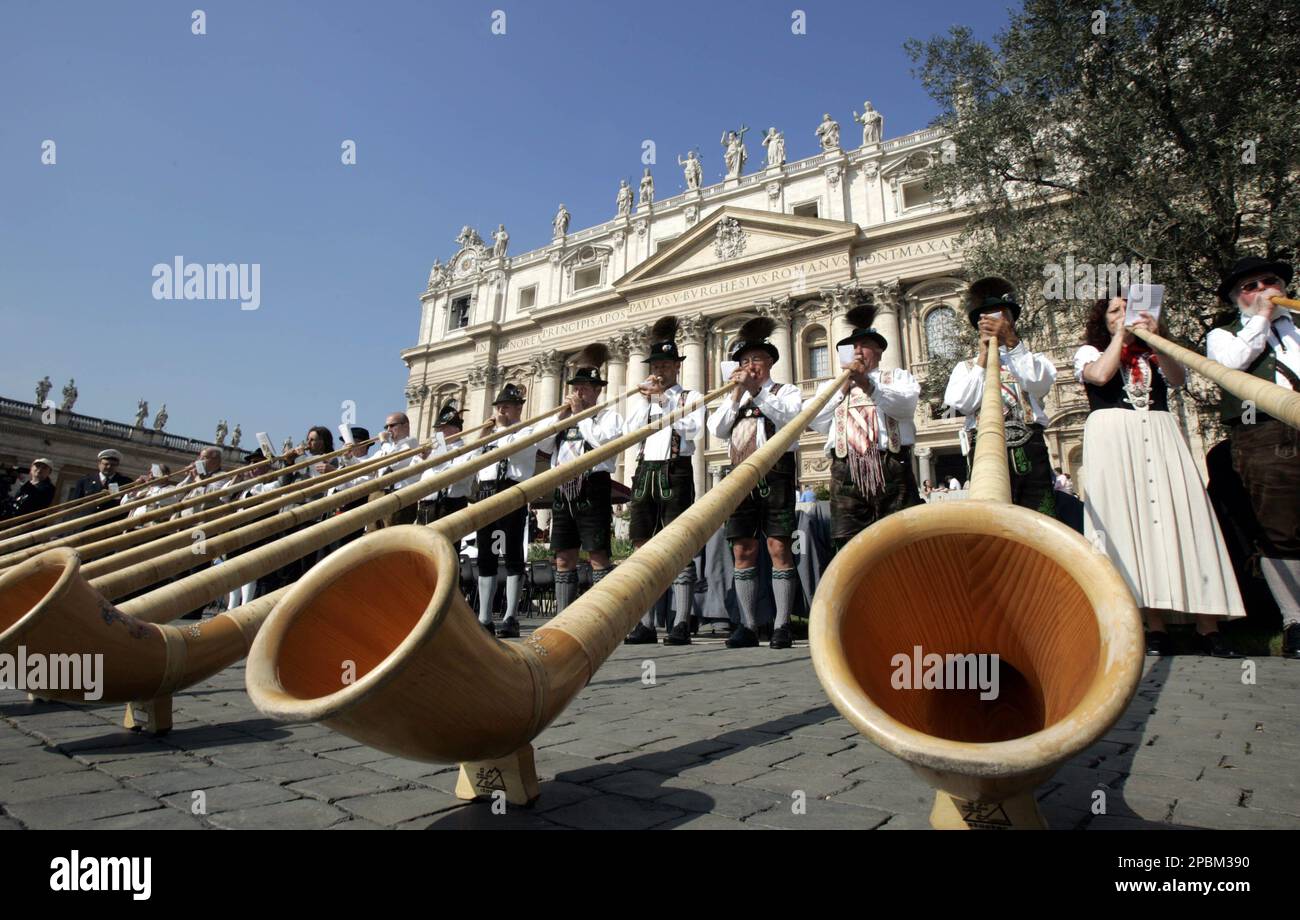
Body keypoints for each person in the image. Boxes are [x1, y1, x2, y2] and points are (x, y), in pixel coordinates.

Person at [1076, 295, 1244, 657]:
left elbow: (1178, 379)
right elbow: (1100, 375)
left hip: (1160, 433)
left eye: (1130, 310)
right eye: (1115, 311)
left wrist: (1156, 341)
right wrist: (1121, 337)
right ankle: (1153, 624)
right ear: (1102, 321)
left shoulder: (1153, 352)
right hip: (1115, 441)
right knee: (1129, 525)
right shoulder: (1090, 351)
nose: (1124, 316)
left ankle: (1208, 624)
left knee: (1184, 518)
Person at [1206, 256, 1300, 659]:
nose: (1263, 290)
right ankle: (1295, 620)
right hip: (1264, 432)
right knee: (1281, 527)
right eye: (1251, 286)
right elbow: (1231, 366)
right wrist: (1261, 319)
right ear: (1236, 298)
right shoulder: (1223, 335)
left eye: (1270, 281)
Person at [708, 316, 804, 649]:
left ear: (770, 363)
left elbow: (789, 420)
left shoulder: (785, 391)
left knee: (778, 547)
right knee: (742, 549)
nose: (750, 367)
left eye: (756, 360)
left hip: (775, 473)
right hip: (740, 475)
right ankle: (748, 625)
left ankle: (781, 625)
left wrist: (758, 393)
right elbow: (717, 429)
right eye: (744, 361)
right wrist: (736, 394)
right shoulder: (736, 399)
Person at [622, 316, 706, 646]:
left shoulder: (690, 395)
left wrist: (663, 400)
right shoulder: (640, 399)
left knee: (677, 545)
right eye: (656, 365)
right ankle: (645, 622)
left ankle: (681, 620)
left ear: (677, 367)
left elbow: (693, 431)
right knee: (643, 545)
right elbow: (630, 433)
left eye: (667, 365)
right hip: (646, 470)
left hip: (677, 469)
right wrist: (646, 401)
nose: (660, 371)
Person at [944, 277, 1057, 514]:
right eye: (987, 319)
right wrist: (983, 359)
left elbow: (1038, 384)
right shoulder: (965, 368)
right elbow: (961, 403)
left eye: (1000, 317)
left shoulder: (1033, 360)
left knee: (1040, 515)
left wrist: (1013, 344)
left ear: (1011, 322)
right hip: (986, 453)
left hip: (1030, 449)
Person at [811, 305, 921, 548]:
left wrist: (868, 385)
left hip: (891, 465)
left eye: (865, 346)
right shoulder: (829, 387)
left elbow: (904, 407)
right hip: (846, 470)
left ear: (879, 351)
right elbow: (815, 421)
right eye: (853, 347)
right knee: (849, 543)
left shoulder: (897, 378)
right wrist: (842, 389)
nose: (858, 352)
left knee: (901, 538)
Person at [548, 345, 624, 615]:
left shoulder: (609, 417)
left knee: (597, 553)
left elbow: (601, 442)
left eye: (585, 388)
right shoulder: (565, 420)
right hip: (563, 492)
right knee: (562, 556)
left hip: (593, 487)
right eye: (576, 387)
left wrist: (581, 416)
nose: (578, 393)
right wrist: (559, 418)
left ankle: (601, 612)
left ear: (597, 391)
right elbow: (543, 448)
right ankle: (563, 615)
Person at [472, 384, 538, 638]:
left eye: (506, 407)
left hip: (511, 490)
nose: (501, 411)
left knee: (513, 552)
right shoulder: (490, 434)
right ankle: (485, 617)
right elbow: (471, 460)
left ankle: (511, 616)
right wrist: (483, 434)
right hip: (486, 492)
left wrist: (500, 429)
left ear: (519, 408)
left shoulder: (526, 432)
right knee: (486, 554)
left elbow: (516, 453)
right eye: (499, 407)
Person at [417, 403, 475, 524]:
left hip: (450, 505)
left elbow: (457, 476)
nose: (440, 431)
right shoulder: (433, 450)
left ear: (457, 429)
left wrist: (433, 455)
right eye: (438, 428)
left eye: (444, 427)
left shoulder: (466, 451)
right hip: (426, 504)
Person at [70, 449, 134, 502]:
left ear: (117, 466)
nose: (109, 467)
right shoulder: (85, 481)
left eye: (113, 465)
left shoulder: (126, 482)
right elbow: (74, 503)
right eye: (106, 464)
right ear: (99, 464)